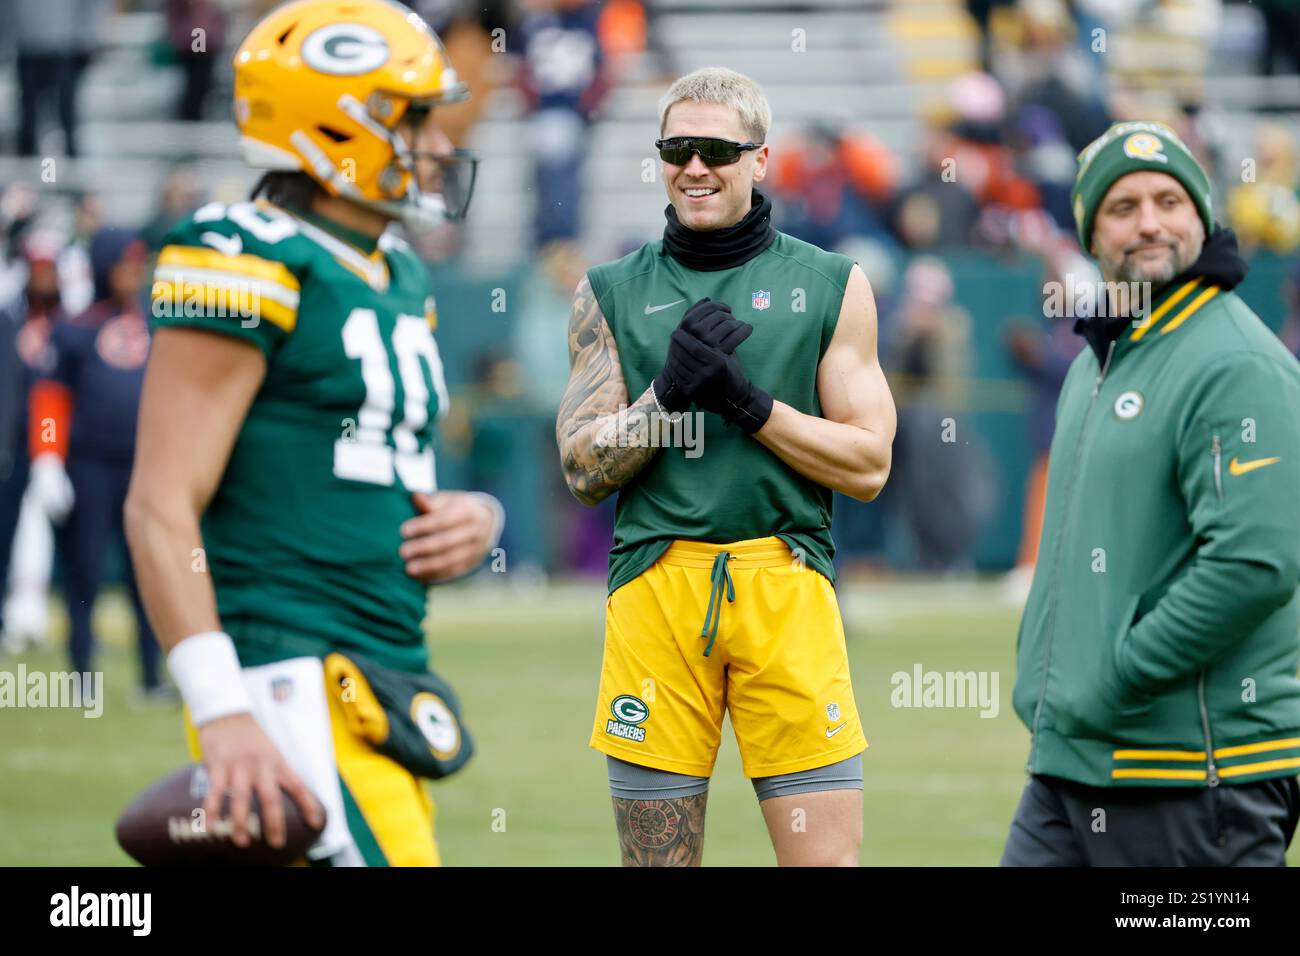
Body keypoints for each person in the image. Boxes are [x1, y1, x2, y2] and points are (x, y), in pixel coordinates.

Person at [124, 0, 502, 867]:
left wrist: (473, 515)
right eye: (414, 122)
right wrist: (223, 708)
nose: (440, 145)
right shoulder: (243, 251)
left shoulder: (395, 266)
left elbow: (366, 462)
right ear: (336, 127)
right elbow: (158, 501)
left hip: (382, 672)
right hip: (286, 673)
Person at [556, 67, 896, 866]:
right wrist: (666, 397)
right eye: (676, 148)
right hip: (655, 590)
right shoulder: (608, 289)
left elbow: (870, 463)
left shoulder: (832, 284)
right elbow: (580, 467)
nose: (695, 166)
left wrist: (749, 405)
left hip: (786, 582)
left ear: (761, 159)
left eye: (716, 148)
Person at [1002, 121, 1300, 866]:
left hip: (1193, 768)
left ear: (1201, 216)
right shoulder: (1097, 361)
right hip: (1074, 757)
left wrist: (1120, 671)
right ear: (1091, 234)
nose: (1150, 223)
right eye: (1123, 206)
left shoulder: (1234, 360)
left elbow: (1256, 560)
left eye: (1170, 200)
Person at [31, 228, 163, 694]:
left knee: (147, 572)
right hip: (88, 466)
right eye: (125, 264)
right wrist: (47, 458)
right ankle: (82, 674)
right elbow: (50, 398)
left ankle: (152, 675)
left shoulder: (155, 322)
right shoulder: (76, 328)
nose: (134, 274)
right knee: (84, 569)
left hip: (142, 466)